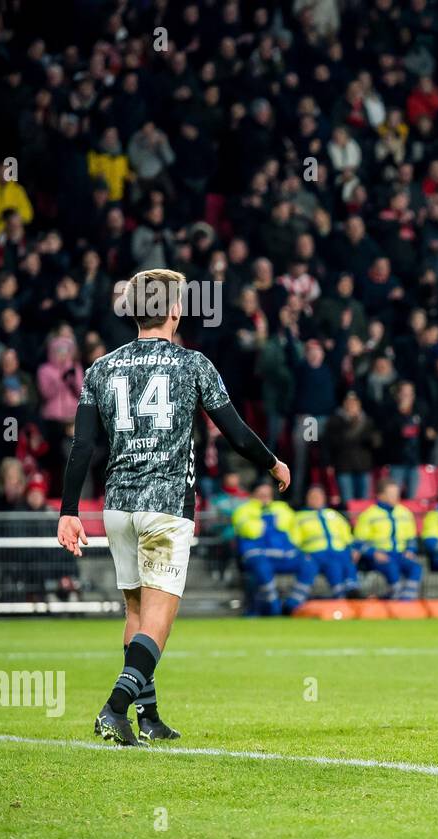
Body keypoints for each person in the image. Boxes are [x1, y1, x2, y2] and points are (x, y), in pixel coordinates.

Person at [57, 268, 290, 745]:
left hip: (117, 507)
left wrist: (68, 510)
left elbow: (81, 447)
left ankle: (149, 718)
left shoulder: (100, 367)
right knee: (159, 619)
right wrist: (273, 464)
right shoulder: (193, 364)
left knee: (137, 613)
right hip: (165, 504)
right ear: (175, 312)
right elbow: (237, 433)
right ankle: (114, 707)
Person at [232, 480, 313, 615]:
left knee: (309, 563)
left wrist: (295, 546)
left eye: (267, 494)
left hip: (284, 554)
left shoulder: (282, 508)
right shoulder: (243, 509)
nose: (265, 498)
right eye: (261, 495)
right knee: (262, 568)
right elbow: (250, 530)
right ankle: (273, 606)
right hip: (258, 555)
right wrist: (266, 518)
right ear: (253, 495)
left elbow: (294, 529)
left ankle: (292, 604)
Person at [353, 479, 423, 601]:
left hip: (400, 554)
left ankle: (407, 600)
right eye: (391, 494)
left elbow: (411, 538)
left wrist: (410, 550)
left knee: (416, 567)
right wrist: (374, 553)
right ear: (381, 496)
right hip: (379, 555)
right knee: (391, 567)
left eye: (397, 494)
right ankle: (395, 598)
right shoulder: (368, 515)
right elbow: (359, 542)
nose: (395, 497)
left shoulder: (405, 513)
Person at [293, 485, 360, 598]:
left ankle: (352, 589)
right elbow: (294, 541)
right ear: (307, 499)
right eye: (313, 497)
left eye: (319, 496)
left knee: (346, 559)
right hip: (316, 553)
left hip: (338, 552)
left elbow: (348, 537)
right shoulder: (299, 517)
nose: (316, 499)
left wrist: (353, 549)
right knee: (334, 565)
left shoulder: (334, 515)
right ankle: (342, 594)